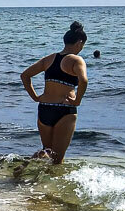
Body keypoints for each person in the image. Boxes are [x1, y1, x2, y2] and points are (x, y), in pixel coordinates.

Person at [20, 20, 89, 164]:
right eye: (82, 45)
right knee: (57, 158)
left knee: (47, 151)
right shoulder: (77, 60)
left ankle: (24, 169)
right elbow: (84, 81)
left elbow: (25, 75)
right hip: (64, 109)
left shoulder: (49, 59)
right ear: (79, 43)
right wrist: (77, 101)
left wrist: (35, 97)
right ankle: (52, 184)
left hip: (45, 108)